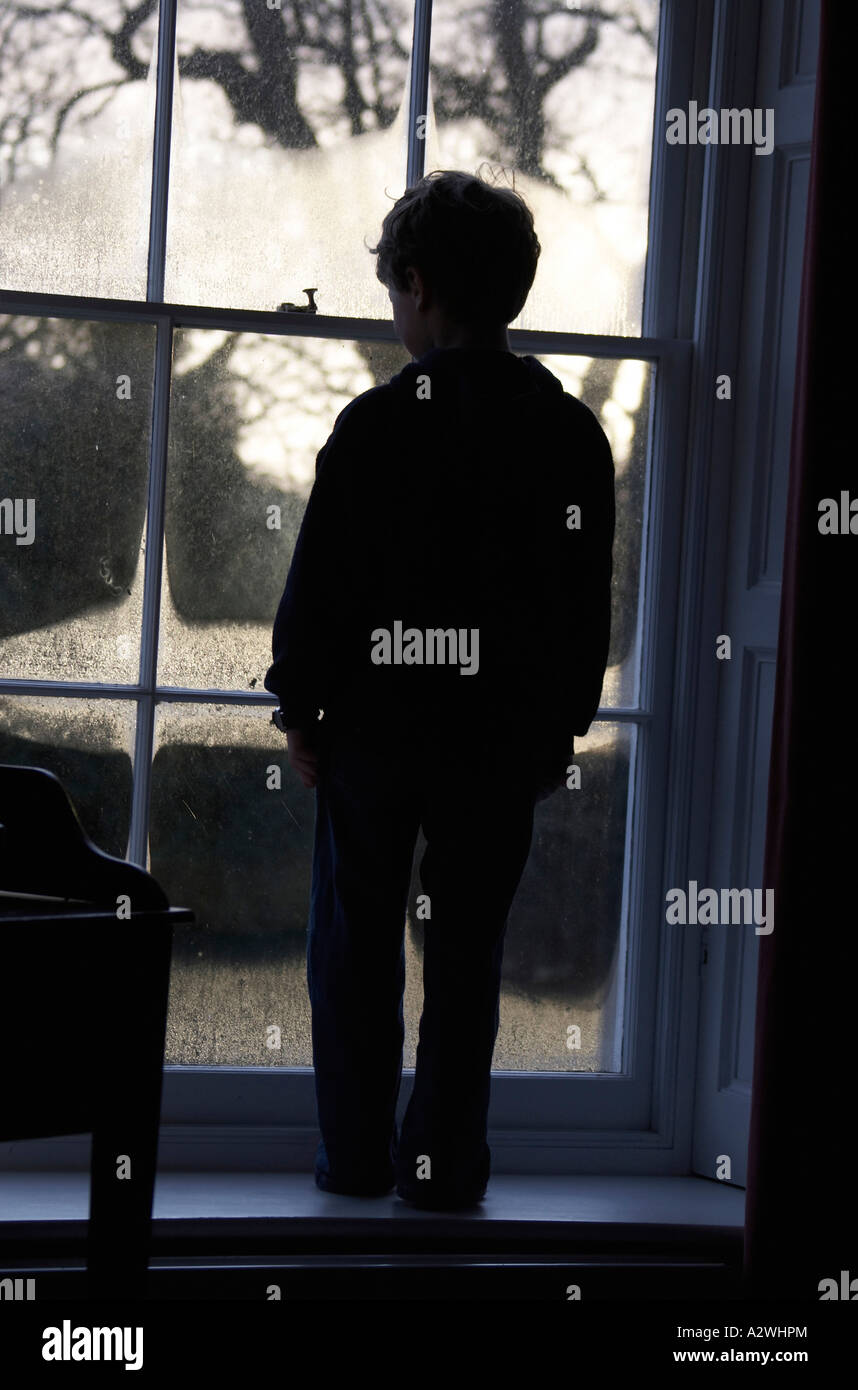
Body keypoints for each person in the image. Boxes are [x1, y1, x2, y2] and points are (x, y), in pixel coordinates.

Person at [265, 169, 615, 1210]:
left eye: (391, 293)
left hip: (375, 728)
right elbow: (576, 607)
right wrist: (558, 724)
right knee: (467, 960)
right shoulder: (565, 434)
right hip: (499, 736)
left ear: (416, 285)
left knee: (355, 948)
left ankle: (355, 1158)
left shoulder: (377, 424)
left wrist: (300, 706)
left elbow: (321, 586)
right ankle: (441, 1165)